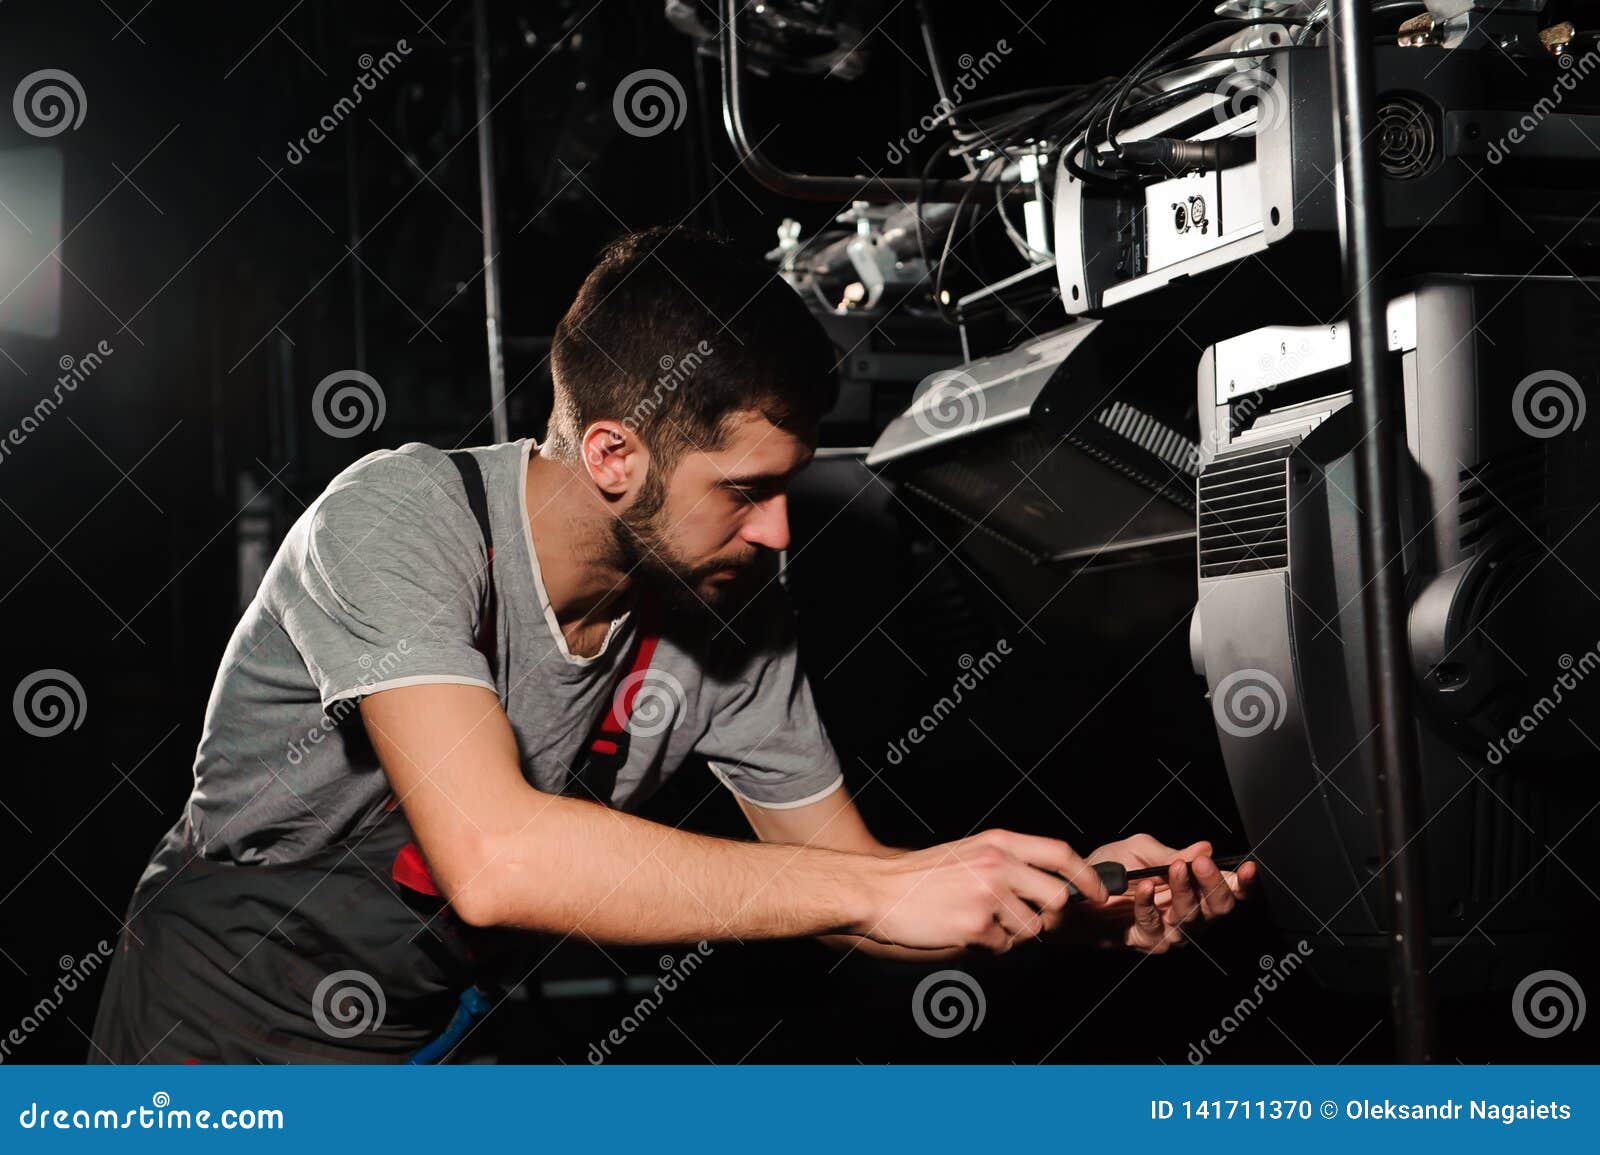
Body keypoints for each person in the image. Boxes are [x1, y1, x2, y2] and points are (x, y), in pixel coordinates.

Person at [89, 226, 1254, 1064]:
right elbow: (496, 863)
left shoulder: (733, 610)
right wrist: (896, 886)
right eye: (744, 490)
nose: (780, 529)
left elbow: (848, 892)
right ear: (612, 457)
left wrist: (1057, 900)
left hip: (416, 1041)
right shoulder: (397, 520)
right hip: (210, 1043)